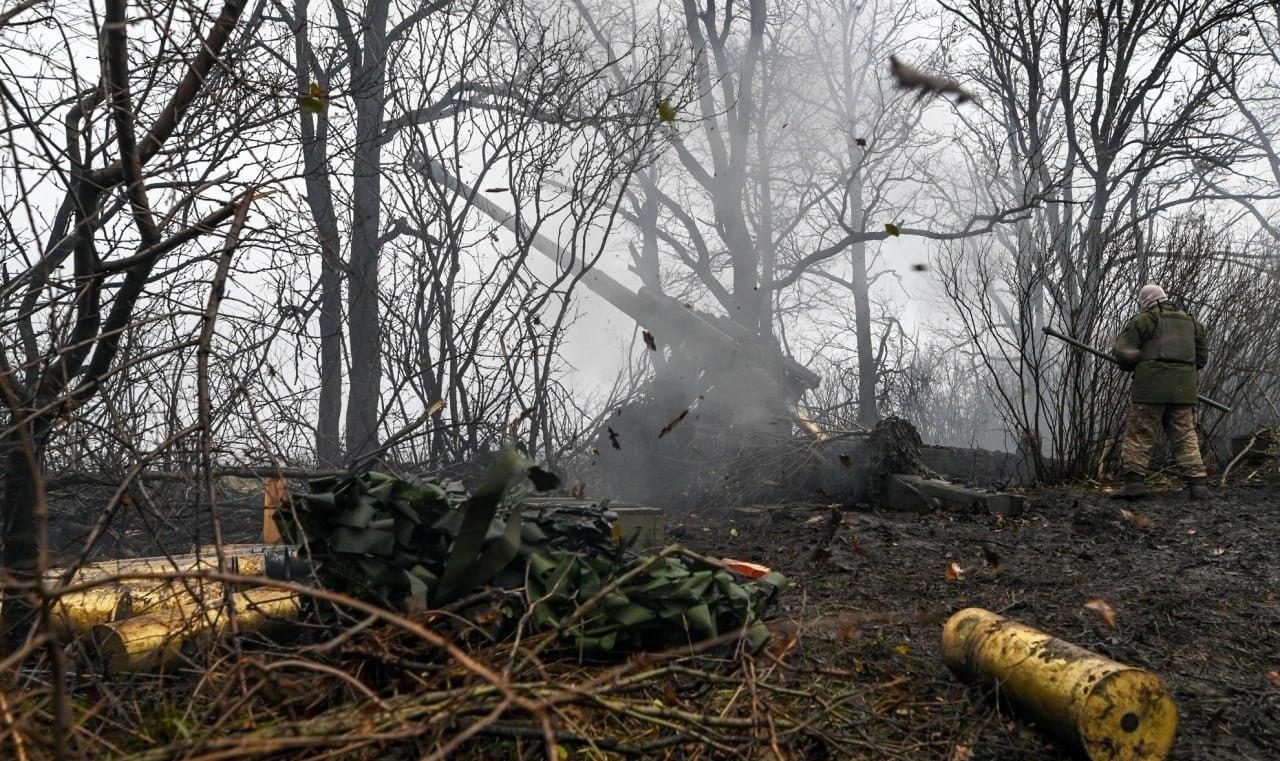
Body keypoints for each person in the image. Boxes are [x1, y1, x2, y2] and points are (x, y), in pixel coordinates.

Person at [1110, 283, 1210, 500]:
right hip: (1183, 390)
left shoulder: (1144, 320)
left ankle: (1135, 484)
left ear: (1145, 301)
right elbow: (1201, 358)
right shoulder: (1192, 322)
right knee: (1185, 435)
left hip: (1150, 390)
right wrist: (1180, 372)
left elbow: (1122, 352)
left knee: (1140, 434)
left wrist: (1136, 364)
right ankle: (1198, 485)